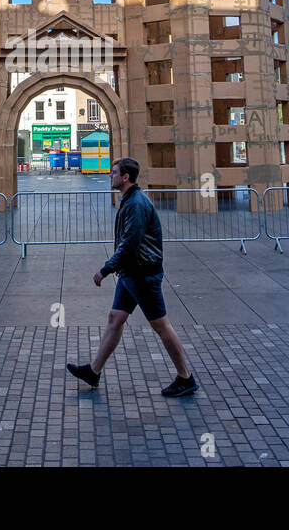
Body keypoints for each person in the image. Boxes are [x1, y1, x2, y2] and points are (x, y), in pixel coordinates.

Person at [66, 157, 198, 397]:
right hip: (131, 273)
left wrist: (104, 270)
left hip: (142, 274)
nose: (110, 175)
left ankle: (185, 377)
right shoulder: (130, 200)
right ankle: (93, 371)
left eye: (114, 172)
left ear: (125, 177)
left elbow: (130, 244)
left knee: (161, 326)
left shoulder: (136, 204)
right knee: (115, 318)